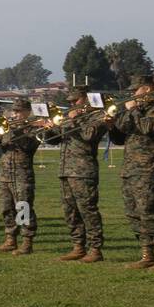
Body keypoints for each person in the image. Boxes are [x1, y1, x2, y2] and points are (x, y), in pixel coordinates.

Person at [106, 74, 154, 270]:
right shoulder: (135, 109)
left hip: (147, 169)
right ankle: (147, 254)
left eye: (135, 90)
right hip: (129, 169)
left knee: (147, 213)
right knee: (133, 214)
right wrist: (111, 126)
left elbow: (147, 127)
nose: (132, 94)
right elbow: (120, 139)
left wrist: (134, 109)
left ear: (146, 89)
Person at [40, 82, 106, 263]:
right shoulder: (69, 118)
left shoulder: (98, 116)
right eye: (71, 101)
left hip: (84, 171)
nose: (72, 104)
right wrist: (48, 129)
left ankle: (95, 248)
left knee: (88, 210)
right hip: (65, 170)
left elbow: (89, 136)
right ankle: (78, 246)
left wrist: (74, 118)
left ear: (86, 99)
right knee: (70, 211)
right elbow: (53, 140)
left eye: (76, 100)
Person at [0, 99, 39, 255]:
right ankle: (10, 238)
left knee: (23, 208)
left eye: (19, 111)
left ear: (28, 112)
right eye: (14, 111)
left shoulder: (34, 128)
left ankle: (27, 241)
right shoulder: (9, 128)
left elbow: (28, 146)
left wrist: (17, 130)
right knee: (6, 208)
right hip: (5, 174)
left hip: (22, 174)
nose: (15, 114)